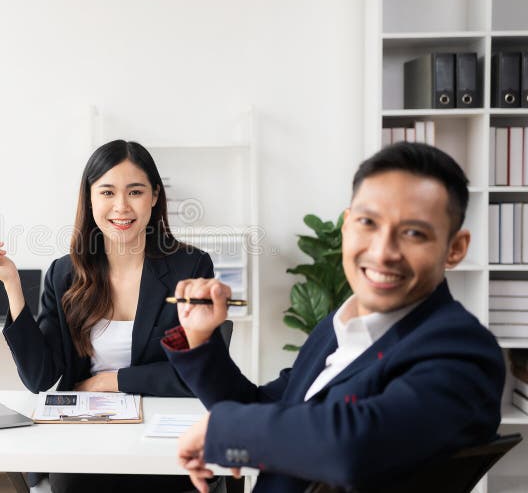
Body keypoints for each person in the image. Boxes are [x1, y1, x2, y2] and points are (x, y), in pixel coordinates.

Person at [163, 142, 505, 493]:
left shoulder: (462, 350)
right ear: (346, 226)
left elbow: (356, 446)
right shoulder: (336, 326)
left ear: (456, 248)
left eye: (414, 233)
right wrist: (200, 338)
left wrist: (226, 429)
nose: (382, 252)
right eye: (367, 222)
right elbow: (265, 409)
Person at [0, 139, 214, 493]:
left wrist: (109, 381)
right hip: (87, 435)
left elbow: (194, 372)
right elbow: (39, 377)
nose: (121, 207)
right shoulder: (64, 274)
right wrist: (12, 284)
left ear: (155, 196)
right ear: (89, 198)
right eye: (106, 192)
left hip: (164, 433)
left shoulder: (191, 267)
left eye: (135, 191)